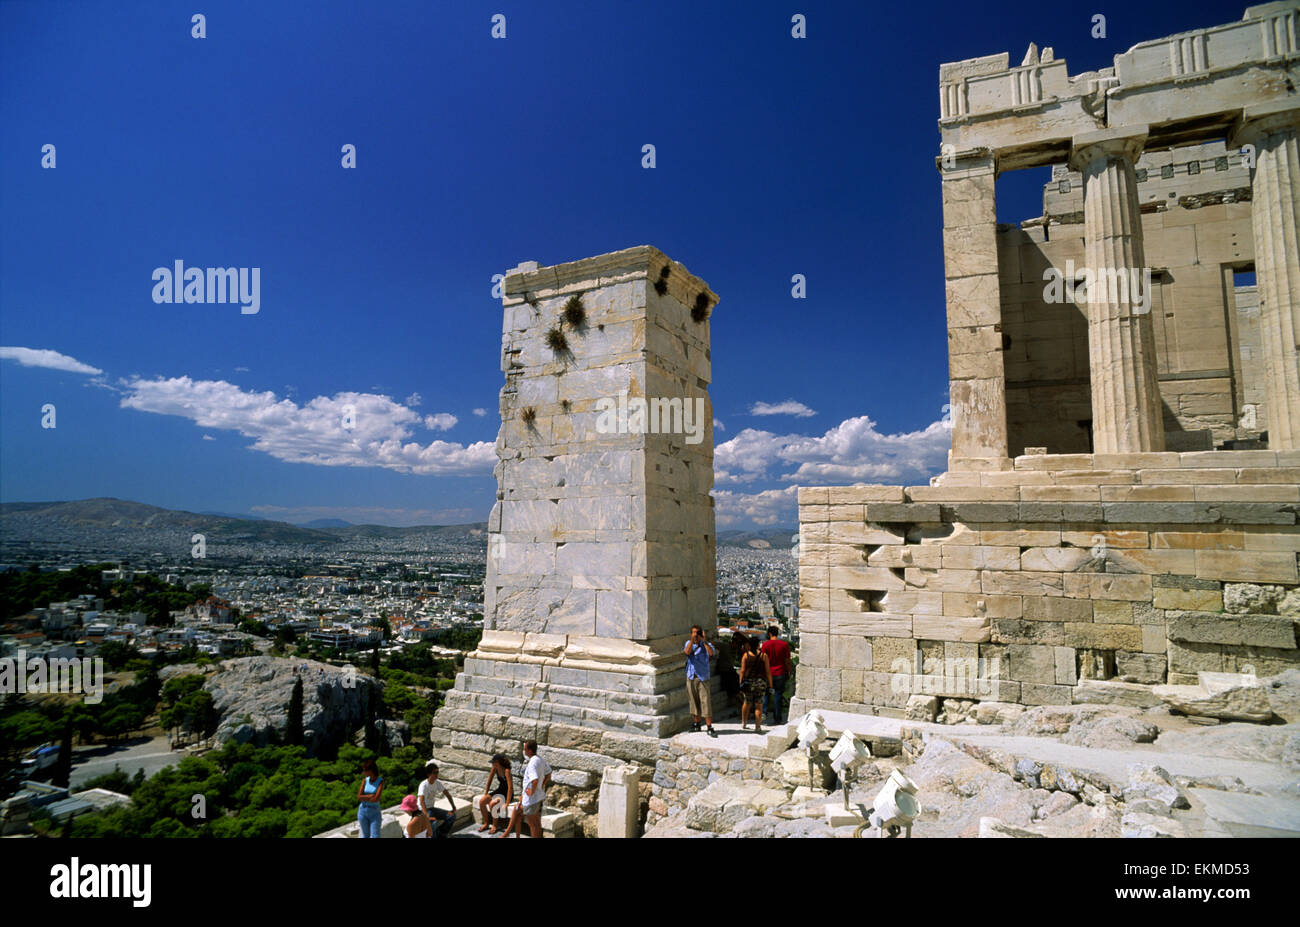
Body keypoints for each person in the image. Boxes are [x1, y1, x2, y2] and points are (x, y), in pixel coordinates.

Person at [501, 740, 552, 838]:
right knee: (536, 824)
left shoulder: (532, 763)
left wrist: (531, 791)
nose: (524, 750)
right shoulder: (540, 759)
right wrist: (541, 786)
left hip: (531, 800)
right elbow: (549, 773)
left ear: (529, 750)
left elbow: (535, 780)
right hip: (537, 797)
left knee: (532, 825)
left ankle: (508, 833)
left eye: (525, 749)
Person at [683, 625, 717, 736]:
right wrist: (692, 640)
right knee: (693, 701)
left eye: (697, 632)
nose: (696, 635)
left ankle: (709, 726)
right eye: (693, 632)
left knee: (705, 701)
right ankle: (696, 723)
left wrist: (704, 641)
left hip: (702, 677)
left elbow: (711, 654)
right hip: (691, 676)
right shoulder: (689, 643)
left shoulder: (707, 645)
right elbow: (687, 652)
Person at [759, 625, 793, 724]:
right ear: (777, 633)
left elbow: (762, 660)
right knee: (778, 695)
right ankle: (777, 718)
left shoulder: (765, 645)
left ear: (769, 633)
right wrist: (790, 671)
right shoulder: (784, 645)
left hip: (767, 673)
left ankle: (764, 714)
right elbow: (787, 661)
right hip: (780, 673)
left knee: (765, 694)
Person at [739, 636, 772, 734]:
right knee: (759, 705)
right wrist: (770, 685)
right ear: (758, 644)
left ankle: (744, 722)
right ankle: (757, 726)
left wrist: (740, 682)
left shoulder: (746, 655)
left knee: (746, 702)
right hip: (760, 683)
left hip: (748, 682)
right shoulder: (763, 656)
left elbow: (742, 670)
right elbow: (768, 671)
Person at [417, 760, 457, 837]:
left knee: (452, 816)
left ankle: (441, 833)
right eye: (434, 773)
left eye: (437, 772)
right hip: (422, 810)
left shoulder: (437, 782)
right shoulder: (423, 785)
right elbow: (421, 801)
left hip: (431, 808)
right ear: (429, 774)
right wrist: (426, 816)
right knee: (433, 822)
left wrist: (453, 807)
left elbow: (447, 794)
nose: (436, 774)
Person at [477, 753, 513, 834]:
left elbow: (510, 788)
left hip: (506, 793)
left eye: (493, 762)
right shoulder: (495, 769)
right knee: (482, 801)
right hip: (499, 790)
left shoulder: (506, 771)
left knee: (492, 804)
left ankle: (495, 825)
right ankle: (486, 823)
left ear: (498, 762)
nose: (492, 764)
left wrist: (507, 803)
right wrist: (486, 793)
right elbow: (489, 780)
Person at [356, 758, 385, 838]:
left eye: (365, 770)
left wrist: (364, 797)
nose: (363, 773)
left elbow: (376, 799)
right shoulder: (365, 780)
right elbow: (359, 796)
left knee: (375, 835)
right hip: (363, 811)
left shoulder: (380, 781)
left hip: (374, 812)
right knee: (365, 835)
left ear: (370, 770)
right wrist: (369, 796)